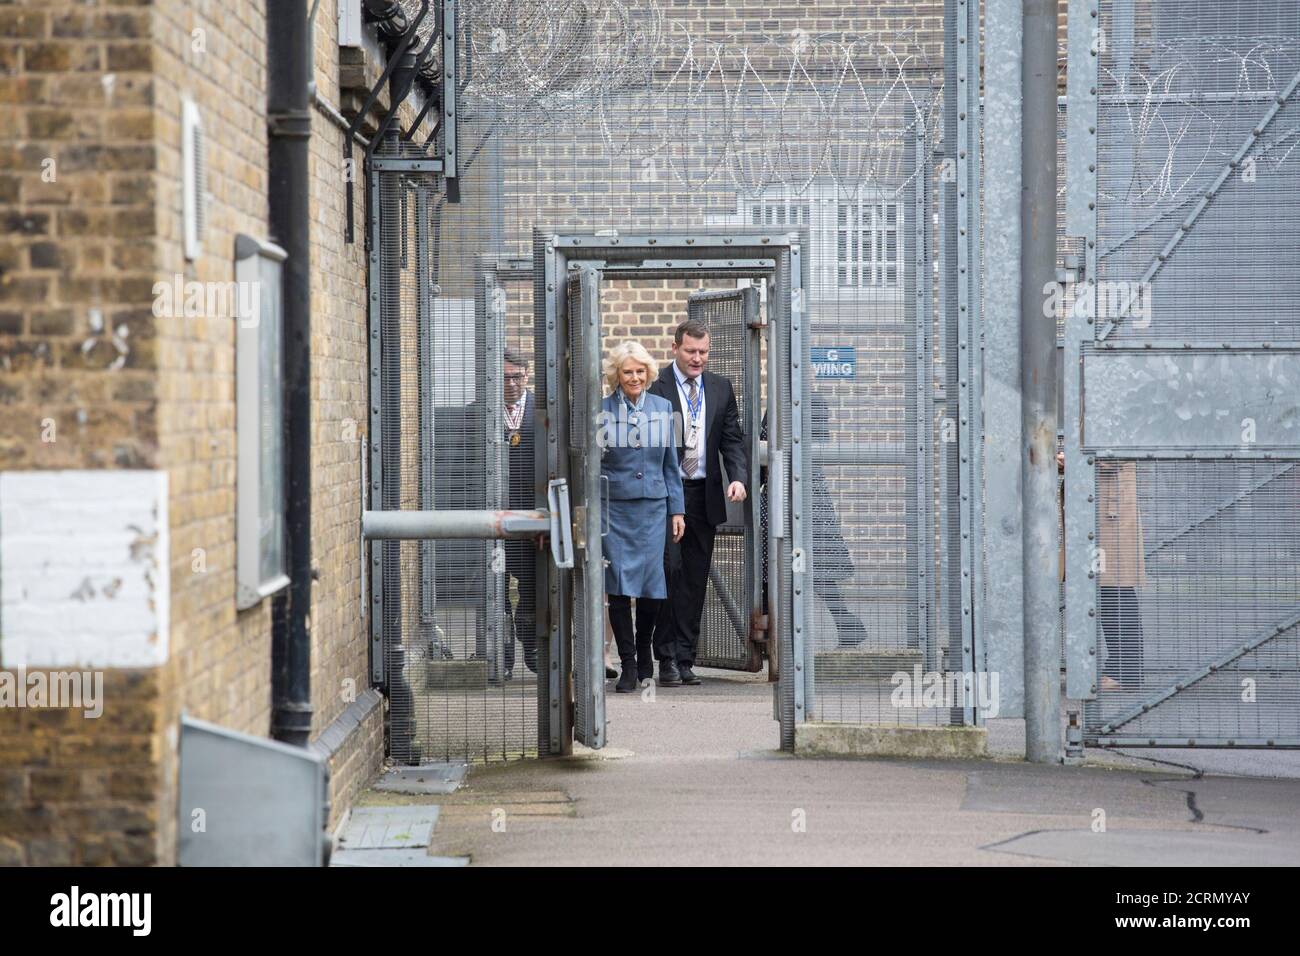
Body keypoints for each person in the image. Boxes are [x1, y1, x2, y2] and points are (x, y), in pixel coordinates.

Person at [649, 318, 749, 686]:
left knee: (694, 578)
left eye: (704, 352)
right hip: (665, 495)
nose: (697, 358)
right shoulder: (655, 386)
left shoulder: (720, 388)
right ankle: (666, 657)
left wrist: (737, 477)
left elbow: (732, 439)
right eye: (691, 351)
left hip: (703, 494)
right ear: (675, 348)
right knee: (668, 573)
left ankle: (686, 658)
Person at [599, 341, 685, 693]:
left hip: (653, 507)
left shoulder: (665, 409)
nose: (634, 377)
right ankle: (629, 663)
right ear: (616, 375)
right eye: (627, 371)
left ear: (648, 373)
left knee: (652, 587)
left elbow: (671, 465)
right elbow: (594, 466)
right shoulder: (601, 410)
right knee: (618, 587)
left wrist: (677, 509)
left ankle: (646, 650)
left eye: (639, 371)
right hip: (615, 509)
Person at [759, 395, 867, 647]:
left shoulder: (805, 402)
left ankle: (775, 635)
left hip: (802, 492)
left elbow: (778, 449)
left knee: (806, 563)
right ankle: (770, 635)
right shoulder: (788, 403)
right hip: (793, 492)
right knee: (772, 562)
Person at [1058, 452, 1145, 691]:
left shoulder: (1114, 414)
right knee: (1106, 590)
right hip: (1099, 509)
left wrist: (1072, 458)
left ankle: (1124, 672)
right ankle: (1121, 669)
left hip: (1109, 513)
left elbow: (1113, 453)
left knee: (1114, 588)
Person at [502, 347, 538, 680]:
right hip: (494, 517)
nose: (511, 383)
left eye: (517, 376)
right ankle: (501, 656)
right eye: (504, 378)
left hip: (530, 518)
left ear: (527, 376)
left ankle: (531, 647)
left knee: (529, 586)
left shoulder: (543, 413)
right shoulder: (479, 412)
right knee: (494, 588)